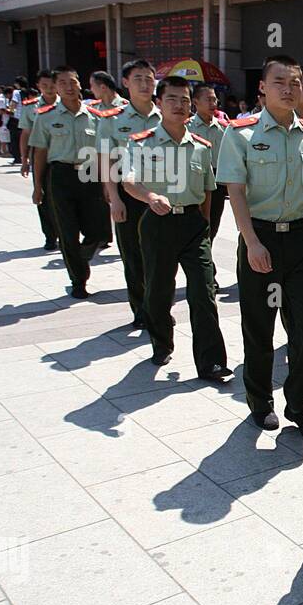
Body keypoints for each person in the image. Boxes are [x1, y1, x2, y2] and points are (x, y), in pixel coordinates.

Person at [219, 56, 303, 436]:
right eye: (279, 81)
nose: (288, 89)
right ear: (262, 86)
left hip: (300, 241)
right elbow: (236, 192)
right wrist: (251, 243)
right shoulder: (241, 133)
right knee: (260, 330)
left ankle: (298, 405)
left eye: (295, 82)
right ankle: (260, 403)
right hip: (259, 237)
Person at [119, 76, 232, 382]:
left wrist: (204, 224)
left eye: (184, 100)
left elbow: (209, 190)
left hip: (193, 225)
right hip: (158, 224)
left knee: (204, 293)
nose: (179, 106)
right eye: (172, 99)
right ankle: (161, 342)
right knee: (158, 290)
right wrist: (150, 196)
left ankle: (212, 362)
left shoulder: (201, 146)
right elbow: (129, 180)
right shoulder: (141, 142)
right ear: (159, 103)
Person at [27, 66, 109, 299]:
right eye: (63, 83)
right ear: (55, 87)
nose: (69, 87)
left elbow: (103, 151)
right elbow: (40, 153)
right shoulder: (46, 116)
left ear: (79, 83)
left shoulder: (96, 116)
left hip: (90, 174)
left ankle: (81, 255)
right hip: (60, 176)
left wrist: (106, 182)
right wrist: (37, 186)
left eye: (72, 82)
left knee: (99, 230)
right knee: (67, 231)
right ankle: (78, 280)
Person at [97, 59, 162, 331]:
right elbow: (106, 160)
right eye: (139, 79)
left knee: (160, 258)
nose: (146, 84)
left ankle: (159, 308)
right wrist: (114, 198)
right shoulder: (114, 120)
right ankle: (141, 310)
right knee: (134, 258)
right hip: (129, 196)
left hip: (162, 197)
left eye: (149, 79)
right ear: (125, 82)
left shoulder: (166, 115)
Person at [187, 82, 231, 285]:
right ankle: (206, 274)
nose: (214, 103)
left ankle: (206, 272)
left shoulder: (224, 128)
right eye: (209, 99)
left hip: (217, 184)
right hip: (193, 182)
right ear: (195, 102)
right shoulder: (186, 127)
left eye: (215, 99)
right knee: (198, 229)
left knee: (211, 228)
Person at [19, 71, 62, 252]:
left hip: (63, 159)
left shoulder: (69, 104)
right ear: (38, 86)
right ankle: (50, 236)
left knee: (64, 201)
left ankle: (67, 234)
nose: (49, 89)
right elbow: (25, 134)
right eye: (45, 85)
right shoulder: (31, 108)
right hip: (41, 160)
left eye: (52, 85)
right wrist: (24, 159)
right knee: (43, 198)